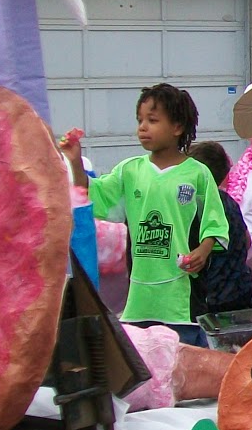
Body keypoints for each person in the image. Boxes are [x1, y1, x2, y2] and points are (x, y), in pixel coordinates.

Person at [60, 83, 229, 340]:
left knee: (181, 364)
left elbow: (215, 222)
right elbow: (95, 193)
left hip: (181, 300)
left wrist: (203, 250)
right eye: (140, 120)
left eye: (152, 120)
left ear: (177, 127)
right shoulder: (129, 170)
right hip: (140, 301)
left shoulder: (197, 173)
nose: (142, 127)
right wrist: (74, 161)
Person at [186, 140, 252, 316]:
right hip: (240, 292)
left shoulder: (192, 208)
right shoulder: (228, 202)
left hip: (209, 300)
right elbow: (247, 241)